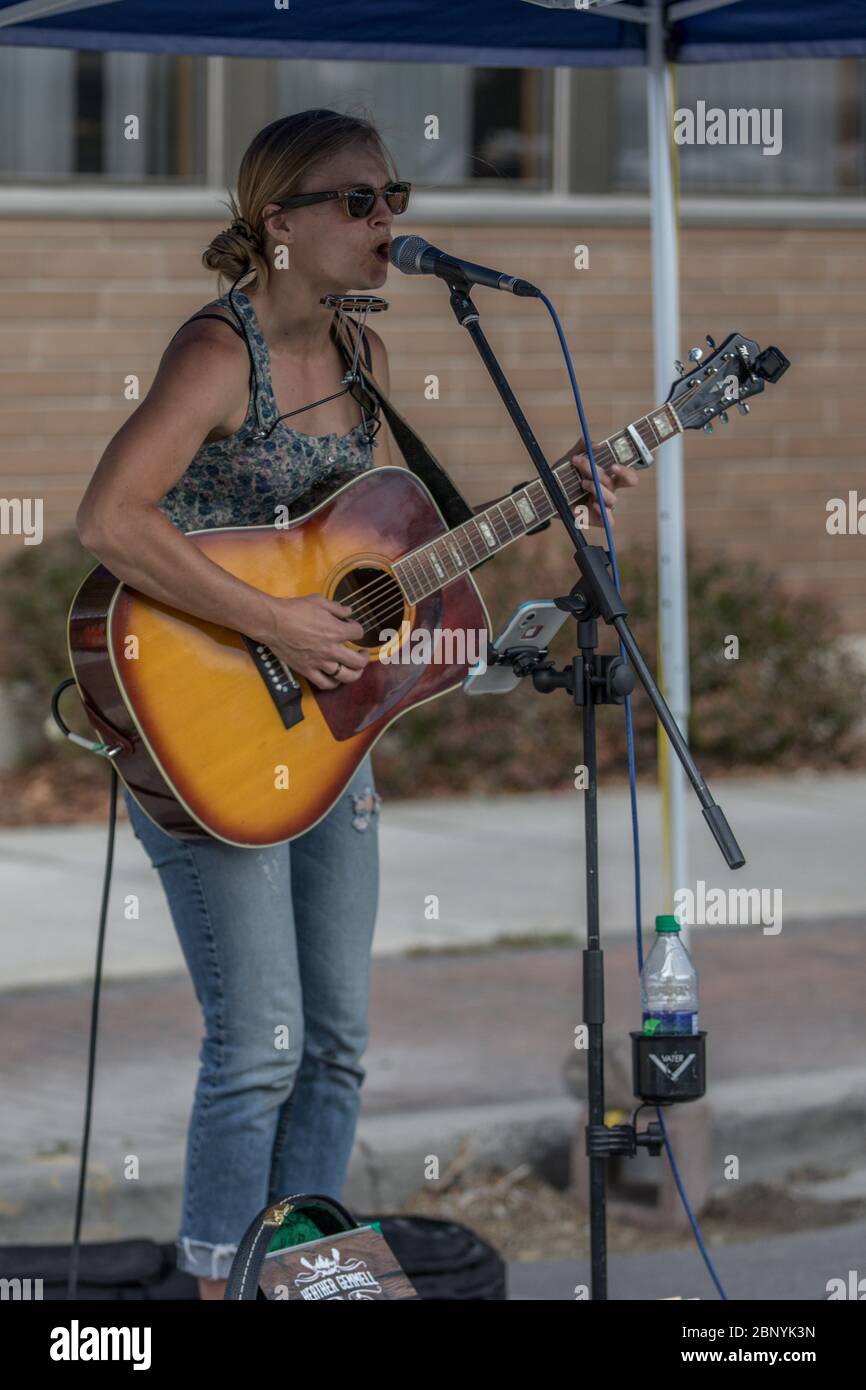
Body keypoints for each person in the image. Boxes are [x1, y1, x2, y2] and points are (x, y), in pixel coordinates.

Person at [75, 107, 637, 1299]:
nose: (389, 222)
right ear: (276, 222)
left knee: (334, 1043)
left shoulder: (368, 359)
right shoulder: (216, 354)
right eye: (358, 201)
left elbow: (371, 546)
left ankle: (311, 1272)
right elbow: (109, 520)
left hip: (329, 736)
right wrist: (276, 622)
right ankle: (212, 1281)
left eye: (395, 198)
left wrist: (550, 497)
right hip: (207, 728)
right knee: (257, 1046)